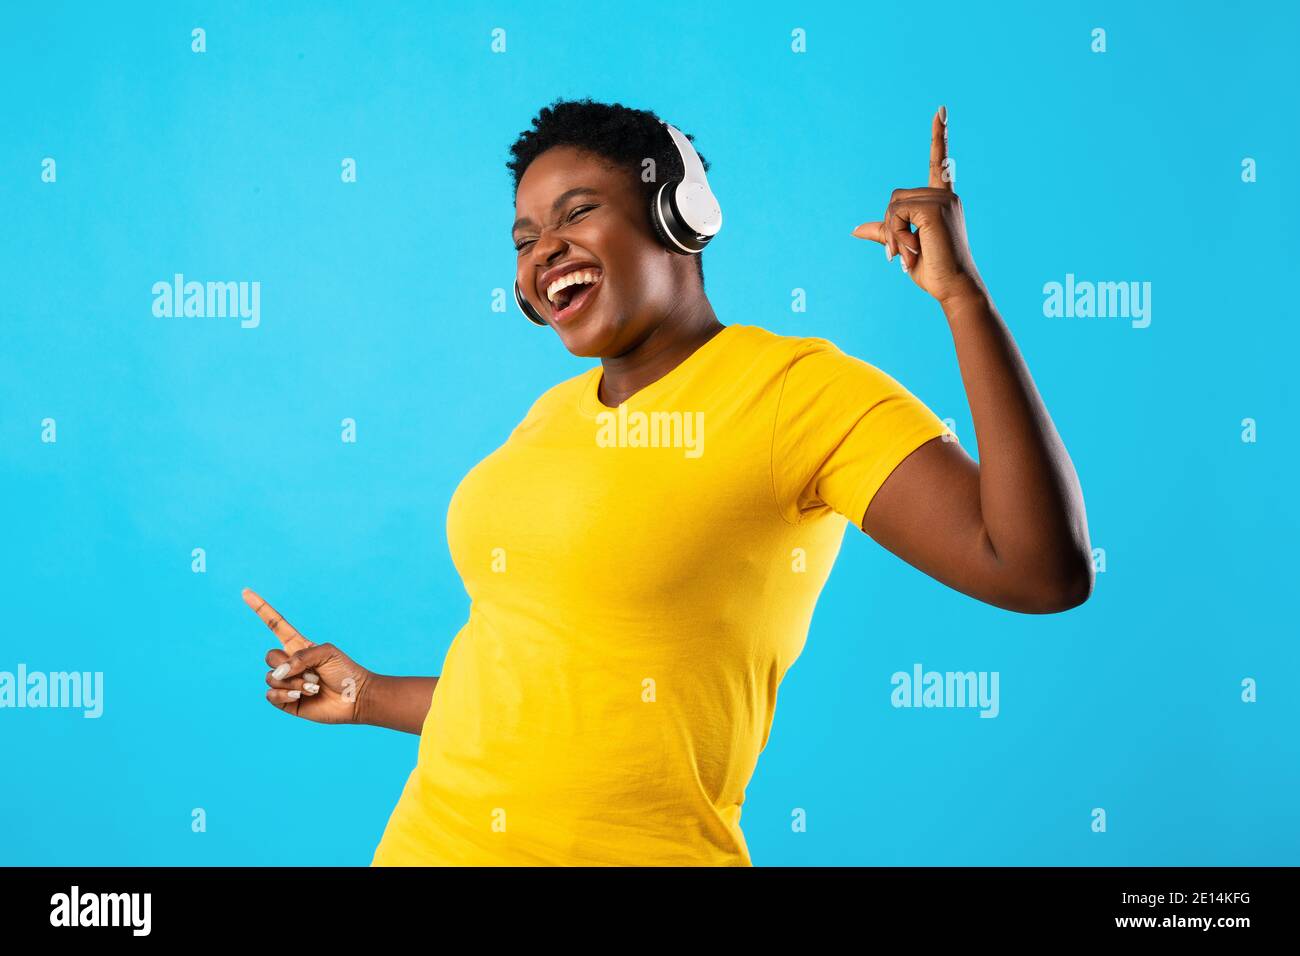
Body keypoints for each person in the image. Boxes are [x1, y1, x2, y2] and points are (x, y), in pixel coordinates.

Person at [244, 98, 1093, 866]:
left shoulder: (798, 391)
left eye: (578, 213)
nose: (546, 250)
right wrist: (369, 697)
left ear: (679, 216)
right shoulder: (548, 416)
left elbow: (1037, 571)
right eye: (525, 238)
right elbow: (543, 678)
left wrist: (961, 297)